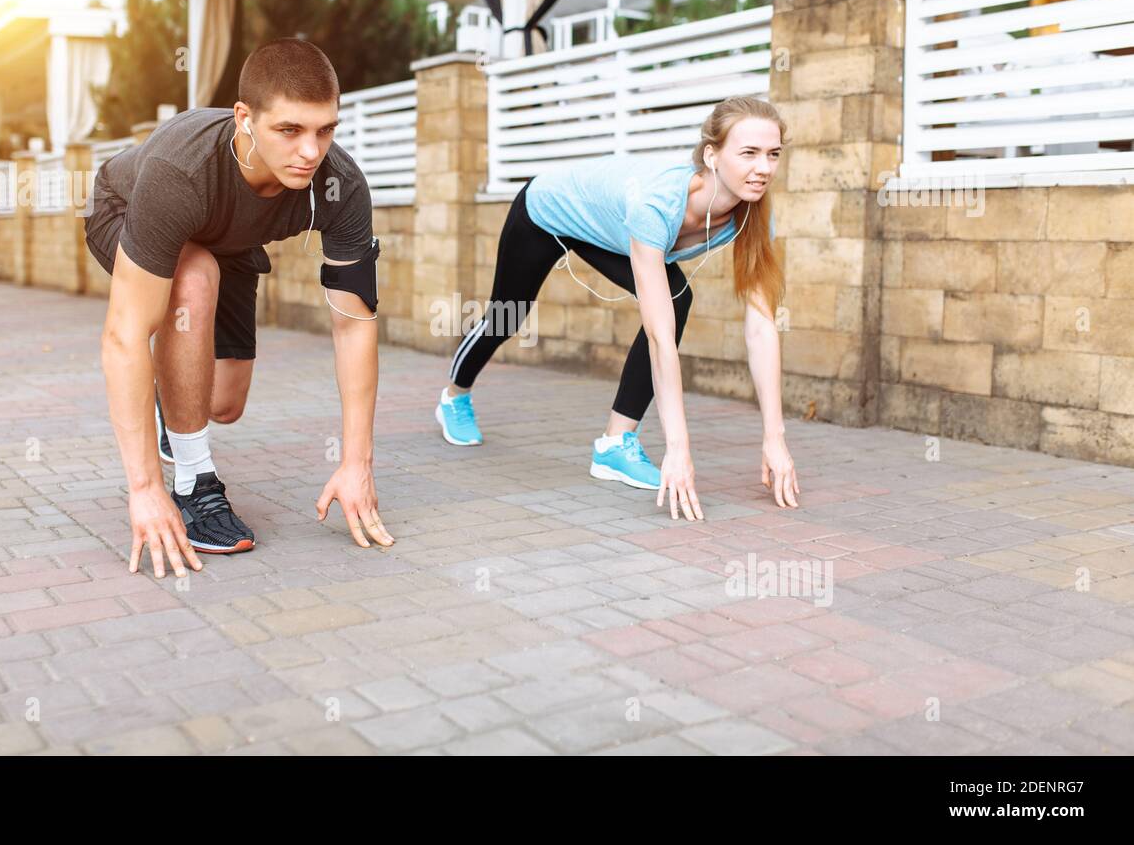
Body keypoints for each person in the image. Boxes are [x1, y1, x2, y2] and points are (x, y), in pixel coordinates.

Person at [85, 38, 394, 579]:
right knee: (194, 276)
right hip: (126, 209)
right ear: (245, 118)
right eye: (290, 130)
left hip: (228, 239)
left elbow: (354, 324)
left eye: (325, 130)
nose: (310, 151)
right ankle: (193, 482)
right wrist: (144, 488)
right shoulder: (181, 169)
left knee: (221, 405)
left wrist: (356, 463)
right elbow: (125, 336)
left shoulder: (340, 186)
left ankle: (174, 410)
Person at [437, 96, 799, 521]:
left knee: (676, 297)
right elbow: (659, 336)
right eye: (749, 153)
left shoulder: (754, 218)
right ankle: (454, 396)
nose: (763, 168)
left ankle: (614, 443)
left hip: (609, 227)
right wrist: (678, 451)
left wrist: (775, 438)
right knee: (508, 314)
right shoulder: (658, 204)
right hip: (547, 210)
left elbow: (761, 328)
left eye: (773, 154)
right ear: (712, 155)